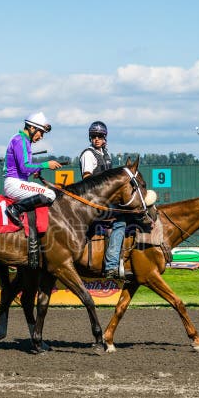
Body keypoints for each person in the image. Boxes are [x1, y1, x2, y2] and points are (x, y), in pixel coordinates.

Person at [79, 120, 125, 279]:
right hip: (93, 202)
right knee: (120, 223)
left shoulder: (106, 154)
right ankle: (112, 265)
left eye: (100, 136)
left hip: (105, 201)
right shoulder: (88, 154)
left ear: (105, 138)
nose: (96, 139)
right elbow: (87, 180)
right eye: (93, 136)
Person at [3, 112, 63, 228]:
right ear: (31, 127)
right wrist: (45, 164)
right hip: (14, 184)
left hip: (17, 182)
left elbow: (25, 169)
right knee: (50, 194)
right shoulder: (21, 140)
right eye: (41, 132)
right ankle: (15, 208)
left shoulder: (23, 140)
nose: (41, 137)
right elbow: (24, 167)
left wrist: (34, 171)